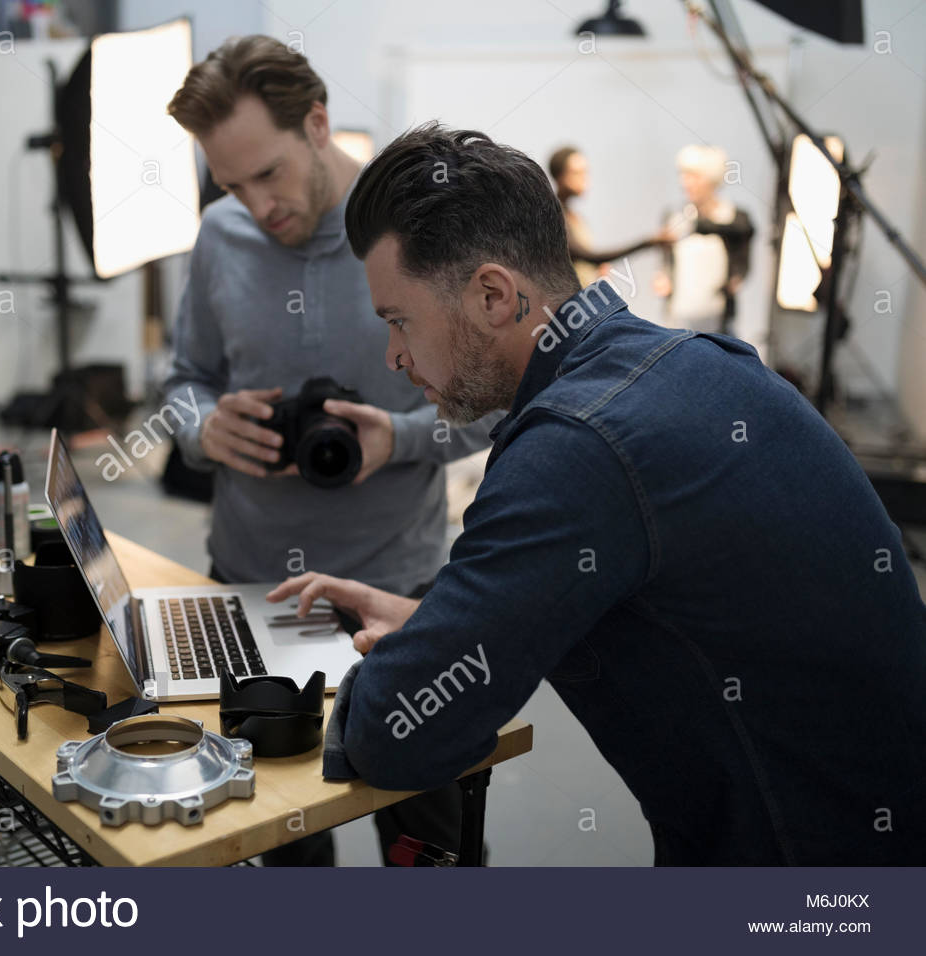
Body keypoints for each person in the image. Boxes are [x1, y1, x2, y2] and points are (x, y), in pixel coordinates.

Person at [270, 123, 926, 865]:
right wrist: (439, 628)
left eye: (399, 320)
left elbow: (397, 734)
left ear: (492, 295)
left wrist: (399, 668)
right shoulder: (686, 360)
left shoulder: (575, 448)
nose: (394, 355)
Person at [164, 37, 499, 866]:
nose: (255, 203)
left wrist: (407, 439)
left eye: (268, 173)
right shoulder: (220, 237)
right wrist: (201, 429)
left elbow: (497, 408)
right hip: (253, 593)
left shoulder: (419, 236)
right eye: (231, 183)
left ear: (317, 123)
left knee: (431, 851)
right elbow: (180, 385)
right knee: (284, 849)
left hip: (399, 600)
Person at [653, 144, 754, 335]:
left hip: (717, 322)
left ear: (712, 180)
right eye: (683, 176)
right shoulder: (674, 216)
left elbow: (743, 259)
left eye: (694, 177)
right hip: (678, 319)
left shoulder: (734, 218)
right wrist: (663, 276)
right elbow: (666, 259)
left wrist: (736, 278)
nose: (686, 183)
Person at [547, 145, 670, 286]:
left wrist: (595, 269)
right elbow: (587, 256)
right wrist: (647, 243)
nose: (584, 179)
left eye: (585, 172)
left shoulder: (575, 217)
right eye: (576, 173)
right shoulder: (556, 215)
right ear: (560, 176)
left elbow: (586, 260)